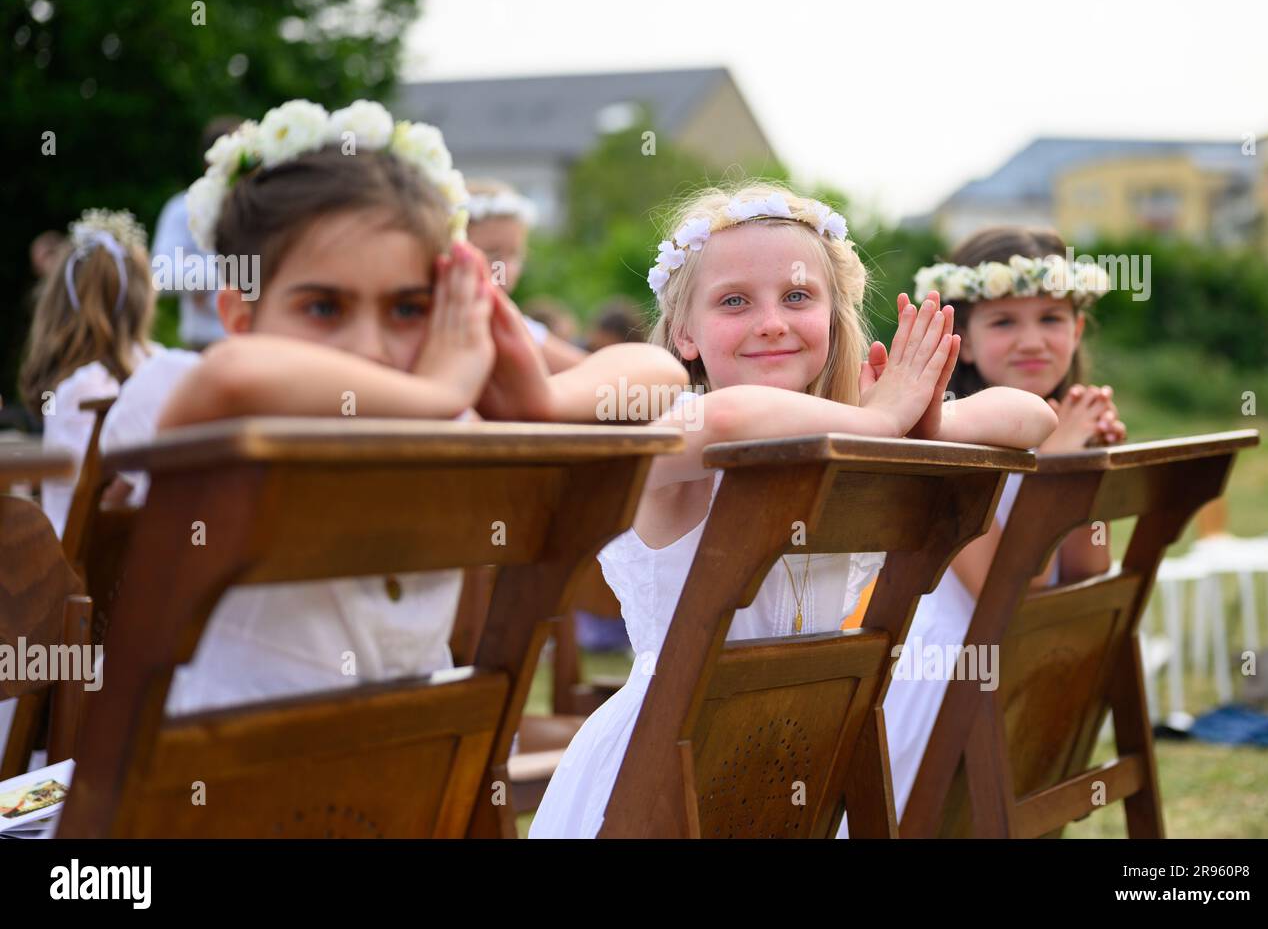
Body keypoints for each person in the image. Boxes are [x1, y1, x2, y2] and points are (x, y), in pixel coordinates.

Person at [99, 98, 687, 716]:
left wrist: (543, 398)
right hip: (213, 796)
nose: (370, 348)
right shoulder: (180, 387)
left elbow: (662, 374)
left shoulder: (441, 416)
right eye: (323, 308)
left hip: (382, 797)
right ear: (239, 315)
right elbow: (229, 372)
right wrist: (437, 391)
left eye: (407, 309)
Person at [529, 185, 1057, 837]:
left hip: (801, 772)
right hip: (658, 779)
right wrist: (882, 417)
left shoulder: (862, 439)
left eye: (798, 296)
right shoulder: (679, 440)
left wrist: (925, 423)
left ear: (835, 318)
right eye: (734, 301)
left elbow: (1033, 415)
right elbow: (731, 416)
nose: (772, 320)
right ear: (686, 332)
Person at [883, 225, 1126, 818]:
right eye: (1003, 322)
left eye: (1051, 318)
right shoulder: (948, 436)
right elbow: (1018, 587)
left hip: (1026, 666)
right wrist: (1060, 472)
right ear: (963, 343)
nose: (1032, 340)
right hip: (949, 670)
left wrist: (1090, 472)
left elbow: (1087, 576)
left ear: (1079, 329)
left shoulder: (1072, 420)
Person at [18, 209, 157, 538]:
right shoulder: (160, 369)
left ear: (56, 304)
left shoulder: (82, 389)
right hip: (146, 561)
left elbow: (79, 513)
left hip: (78, 573)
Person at [466, 179, 587, 371]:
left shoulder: (518, 326)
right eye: (492, 254)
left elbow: (585, 368)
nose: (505, 267)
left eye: (515, 254)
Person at [151, 116, 243, 350]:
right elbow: (161, 274)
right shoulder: (183, 208)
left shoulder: (265, 205)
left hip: (260, 344)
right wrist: (216, 276)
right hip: (204, 345)